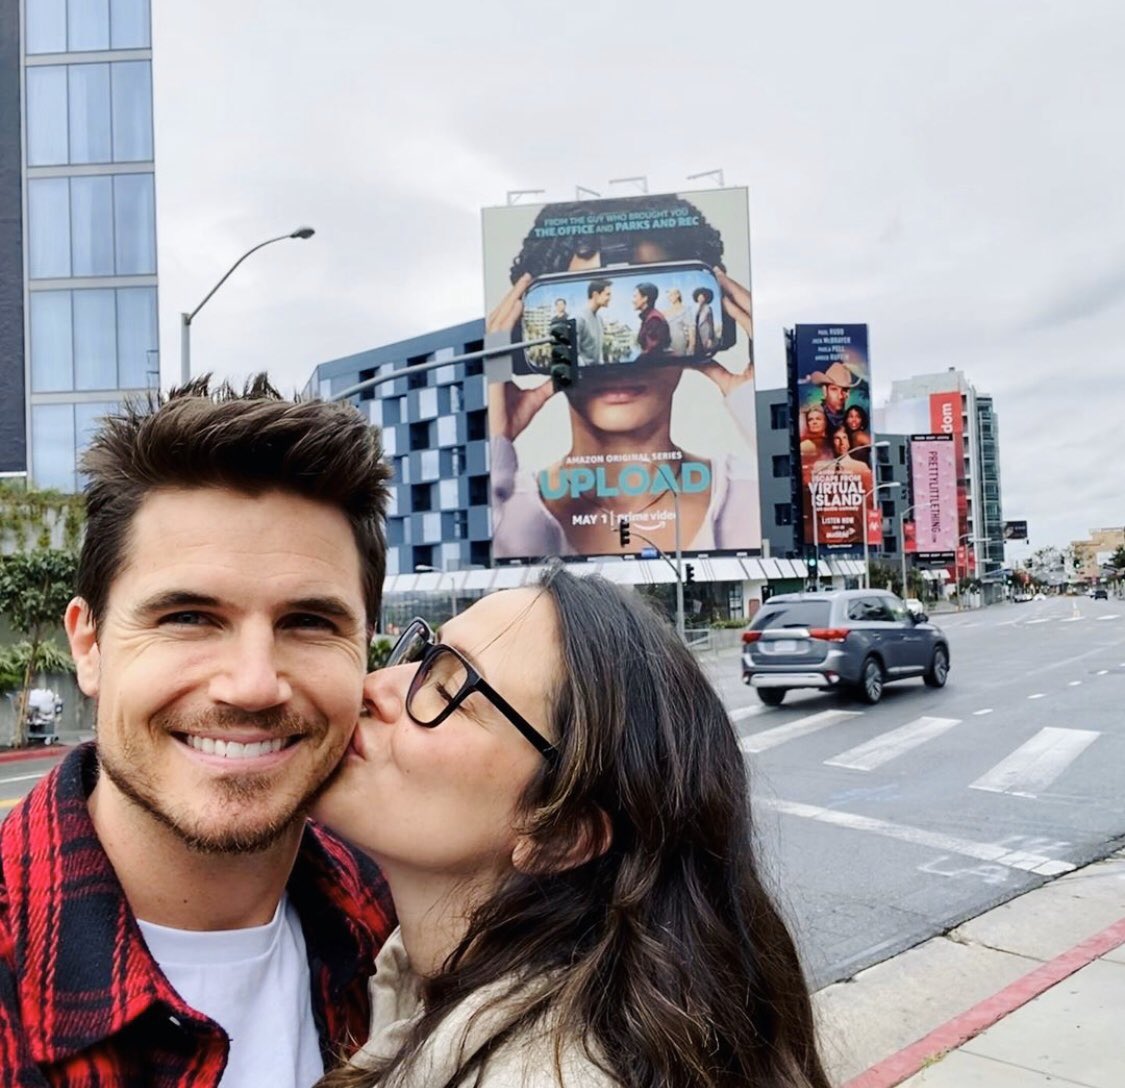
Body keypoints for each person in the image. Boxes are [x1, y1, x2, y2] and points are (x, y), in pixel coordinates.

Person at [0, 376, 396, 1087]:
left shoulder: (399, 926)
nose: (252, 685)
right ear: (88, 645)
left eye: (309, 622)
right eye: (187, 618)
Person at [314, 567, 831, 1088]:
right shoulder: (412, 976)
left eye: (447, 687)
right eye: (423, 656)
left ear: (560, 833)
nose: (371, 686)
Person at [486, 193, 758, 559]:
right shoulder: (503, 509)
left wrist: (762, 413)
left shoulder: (750, 493)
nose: (618, 365)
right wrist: (494, 446)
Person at [574, 278, 611, 366]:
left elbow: (599, 352)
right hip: (585, 372)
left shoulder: (600, 319)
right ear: (595, 295)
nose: (610, 298)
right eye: (607, 294)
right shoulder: (580, 318)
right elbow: (574, 353)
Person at [632, 282, 671, 359]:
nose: (632, 300)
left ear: (645, 298)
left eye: (635, 296)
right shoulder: (649, 317)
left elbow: (652, 351)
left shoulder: (654, 319)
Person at [663, 286, 695, 356]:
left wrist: (691, 346)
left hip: (679, 342)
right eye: (668, 296)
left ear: (677, 295)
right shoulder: (665, 311)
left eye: (671, 295)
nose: (669, 298)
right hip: (666, 343)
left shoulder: (686, 310)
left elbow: (691, 328)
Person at [693, 285, 717, 353]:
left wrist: (710, 338)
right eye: (699, 297)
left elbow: (711, 323)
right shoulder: (694, 308)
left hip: (705, 333)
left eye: (702, 297)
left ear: (706, 298)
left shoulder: (708, 308)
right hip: (696, 333)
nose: (700, 298)